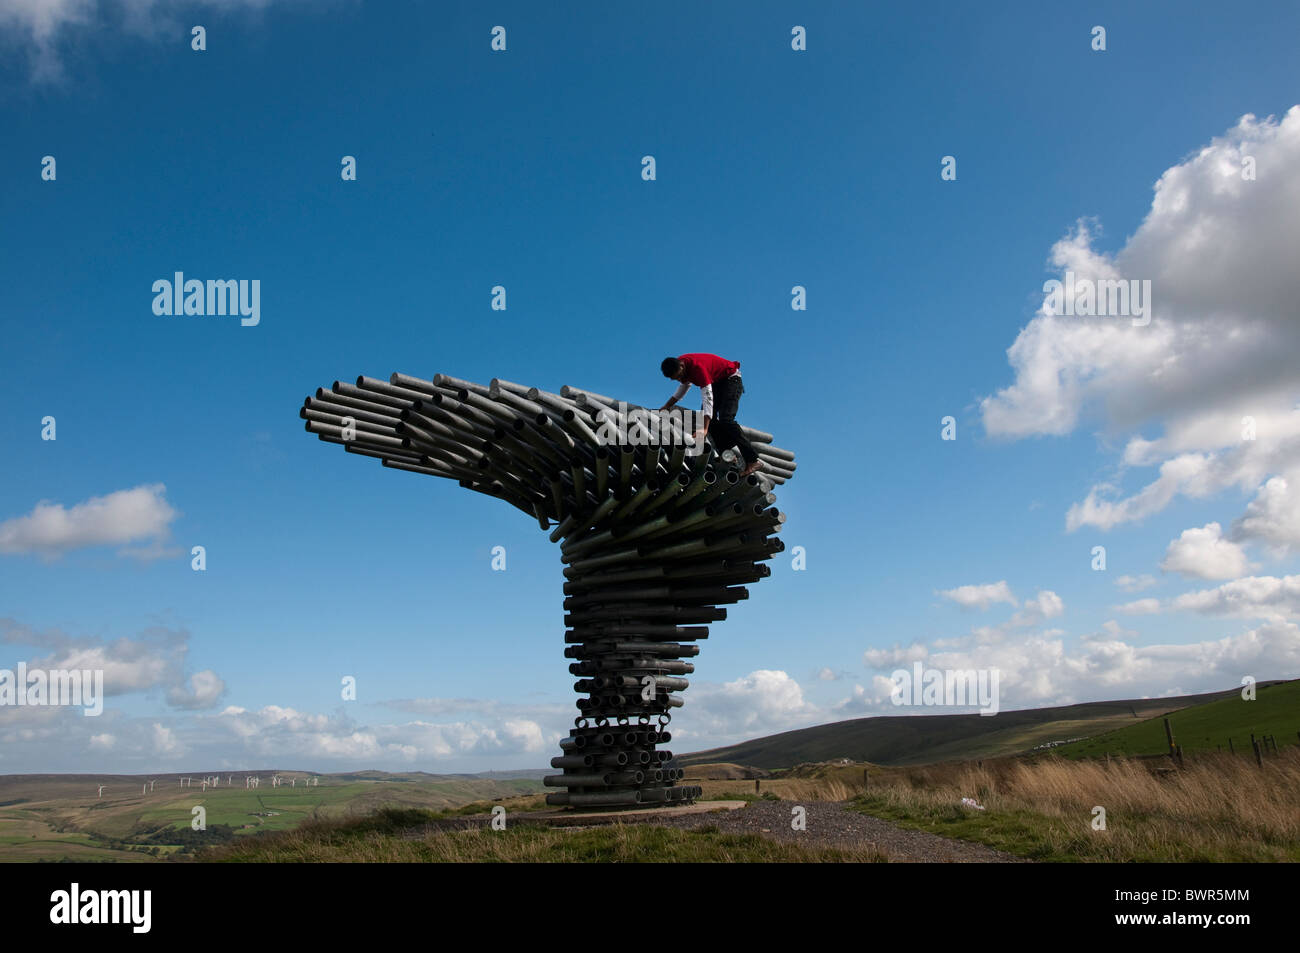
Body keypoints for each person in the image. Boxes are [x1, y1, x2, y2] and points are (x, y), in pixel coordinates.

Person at [659, 353, 764, 477]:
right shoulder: (681, 365)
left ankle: (753, 460)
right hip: (717, 383)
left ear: (682, 366)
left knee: (726, 419)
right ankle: (728, 454)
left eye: (680, 376)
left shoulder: (697, 368)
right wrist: (667, 406)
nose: (680, 379)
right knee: (712, 422)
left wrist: (704, 429)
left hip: (731, 379)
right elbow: (683, 387)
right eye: (677, 378)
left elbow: (707, 397)